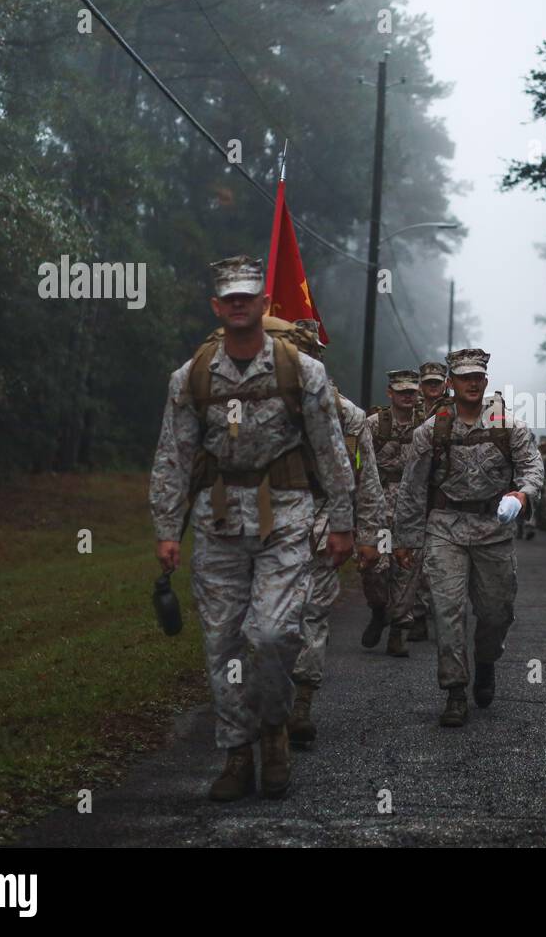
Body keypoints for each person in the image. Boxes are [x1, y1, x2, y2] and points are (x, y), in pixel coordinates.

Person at [149, 255, 355, 801]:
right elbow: (174, 456)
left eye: (249, 296)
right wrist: (168, 528)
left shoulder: (301, 372)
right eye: (229, 297)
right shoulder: (191, 377)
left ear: (264, 304)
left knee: (273, 634)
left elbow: (332, 451)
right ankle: (237, 753)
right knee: (222, 645)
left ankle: (274, 731)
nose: (239, 304)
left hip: (285, 517)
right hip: (218, 522)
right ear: (218, 307)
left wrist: (342, 521)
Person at [393, 349, 544, 727]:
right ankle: (455, 690)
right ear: (451, 383)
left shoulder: (509, 427)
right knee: (447, 611)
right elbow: (412, 487)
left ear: (486, 381)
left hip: (494, 529)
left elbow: (532, 469)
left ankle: (487, 661)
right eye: (464, 377)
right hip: (446, 527)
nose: (472, 383)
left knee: (496, 613)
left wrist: (522, 494)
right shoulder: (433, 430)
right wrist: (405, 540)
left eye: (478, 376)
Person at [290, 370, 386, 741]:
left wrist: (368, 536)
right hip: (263, 527)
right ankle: (264, 702)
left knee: (313, 614)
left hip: (323, 527)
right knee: (264, 623)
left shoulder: (347, 415)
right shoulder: (255, 400)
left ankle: (301, 701)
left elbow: (366, 478)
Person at [358, 369, 427, 653]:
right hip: (378, 507)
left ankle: (400, 628)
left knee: (407, 569)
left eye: (412, 391)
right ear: (390, 393)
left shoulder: (428, 427)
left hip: (412, 508)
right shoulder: (372, 425)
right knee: (376, 568)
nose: (407, 396)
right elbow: (359, 464)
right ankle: (378, 609)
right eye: (402, 391)